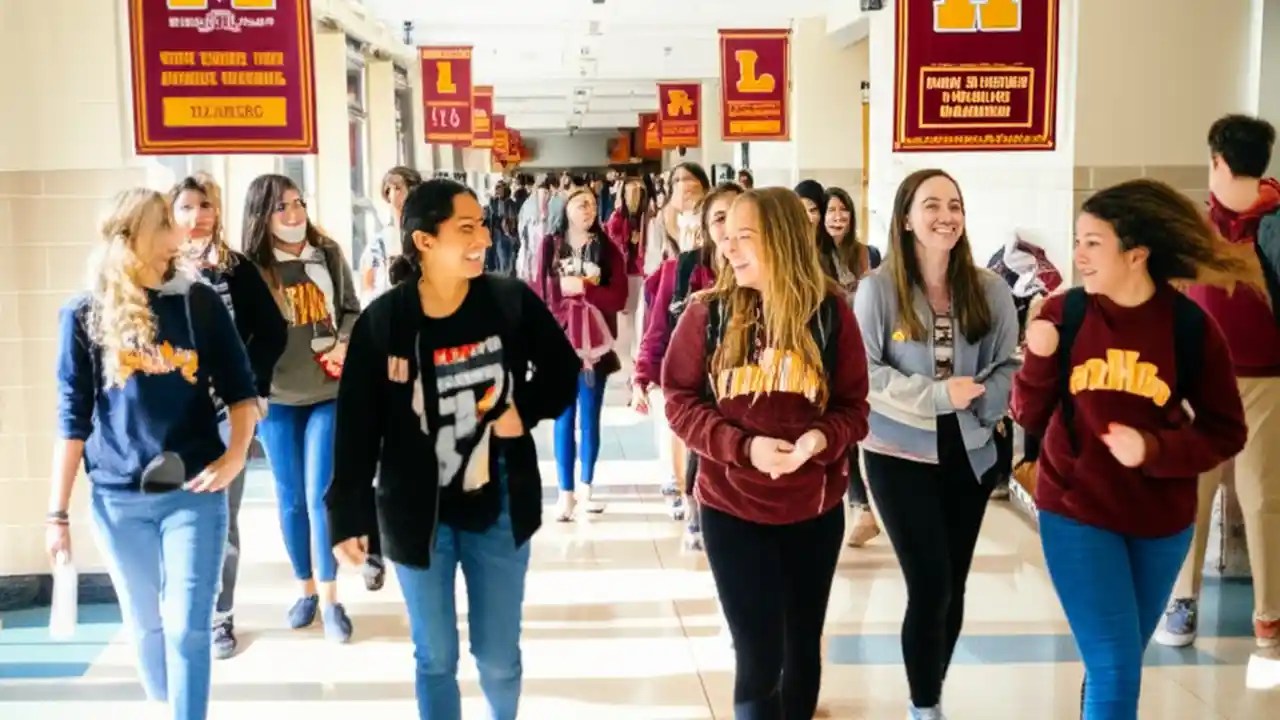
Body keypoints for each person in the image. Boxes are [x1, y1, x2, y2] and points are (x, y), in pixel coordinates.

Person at [327, 179, 579, 720]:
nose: (483, 239)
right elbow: (355, 428)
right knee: (434, 656)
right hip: (418, 513)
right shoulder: (386, 322)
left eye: (482, 226)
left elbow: (563, 370)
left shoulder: (508, 301)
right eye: (466, 228)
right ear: (423, 241)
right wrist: (346, 515)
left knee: (497, 659)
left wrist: (524, 411)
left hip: (500, 505)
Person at [1012, 178, 1252, 718]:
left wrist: (1153, 450)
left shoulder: (1191, 329)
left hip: (1161, 522)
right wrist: (1039, 361)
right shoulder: (1065, 315)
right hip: (1076, 511)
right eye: (1078, 240)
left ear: (1136, 254)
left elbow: (1225, 432)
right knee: (1117, 668)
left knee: (1115, 664)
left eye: (1092, 242)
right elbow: (1027, 415)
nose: (1077, 255)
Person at [48, 188, 259, 720]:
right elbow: (71, 417)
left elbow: (241, 389)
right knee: (146, 622)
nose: (180, 233)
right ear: (132, 237)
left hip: (195, 492)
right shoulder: (83, 315)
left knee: (188, 623)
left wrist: (235, 457)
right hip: (120, 500)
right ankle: (167, 705)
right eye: (166, 222)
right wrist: (57, 513)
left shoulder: (197, 302)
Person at [661, 187, 870, 719]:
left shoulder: (832, 315)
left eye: (744, 236)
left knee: (802, 648)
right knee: (758, 654)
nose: (729, 248)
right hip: (732, 508)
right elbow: (679, 402)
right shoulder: (706, 314)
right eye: (726, 237)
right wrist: (744, 447)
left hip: (814, 510)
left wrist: (820, 440)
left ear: (781, 239)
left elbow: (854, 408)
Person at [852, 169, 1020, 720]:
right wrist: (937, 395)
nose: (946, 215)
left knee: (953, 584)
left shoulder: (990, 289)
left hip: (968, 450)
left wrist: (982, 401)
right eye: (931, 205)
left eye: (955, 205)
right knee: (929, 582)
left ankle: (931, 689)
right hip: (898, 452)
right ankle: (924, 707)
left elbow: (1007, 367)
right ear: (905, 218)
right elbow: (865, 375)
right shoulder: (878, 289)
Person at [1157, 114, 1280, 650]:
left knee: (1261, 497)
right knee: (1193, 493)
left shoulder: (1274, 224)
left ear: (1218, 162)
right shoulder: (1192, 228)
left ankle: (1268, 614)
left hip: (1267, 383)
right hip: (1200, 385)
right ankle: (1182, 599)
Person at [170, 174, 287, 659]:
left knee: (221, 510)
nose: (197, 217)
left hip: (226, 409)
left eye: (205, 206)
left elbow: (274, 330)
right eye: (186, 207)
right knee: (176, 510)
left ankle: (220, 616)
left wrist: (253, 387)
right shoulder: (159, 268)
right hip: (173, 412)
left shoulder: (233, 268)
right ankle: (182, 608)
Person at [242, 174, 362, 642]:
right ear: (261, 216)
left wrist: (345, 342)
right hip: (275, 398)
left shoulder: (327, 253)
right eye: (282, 208)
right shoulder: (249, 267)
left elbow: (350, 308)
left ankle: (332, 599)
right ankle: (306, 590)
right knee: (290, 498)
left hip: (328, 391)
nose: (294, 215)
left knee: (319, 496)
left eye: (299, 204)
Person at [632, 182, 743, 549]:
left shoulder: (764, 273)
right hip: (699, 385)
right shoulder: (681, 271)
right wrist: (641, 379)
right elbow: (657, 330)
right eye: (720, 218)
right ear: (707, 227)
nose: (729, 228)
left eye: (738, 215)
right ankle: (698, 512)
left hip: (747, 390)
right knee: (700, 449)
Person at [532, 187, 629, 520]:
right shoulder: (549, 246)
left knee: (589, 417)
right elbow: (542, 291)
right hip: (560, 343)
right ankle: (565, 493)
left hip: (596, 347)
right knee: (563, 417)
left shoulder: (608, 249)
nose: (587, 209)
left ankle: (587, 488)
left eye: (591, 203)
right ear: (566, 208)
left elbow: (618, 296)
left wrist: (585, 288)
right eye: (580, 203)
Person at [359, 167, 423, 307]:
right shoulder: (379, 242)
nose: (395, 194)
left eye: (399, 188)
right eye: (391, 189)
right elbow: (368, 285)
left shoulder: (428, 236)